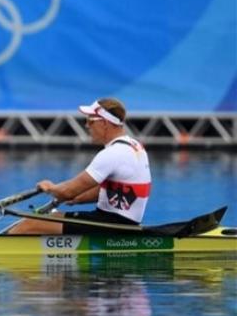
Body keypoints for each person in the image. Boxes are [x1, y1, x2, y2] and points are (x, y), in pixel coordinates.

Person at [9, 98, 150, 235]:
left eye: (90, 121)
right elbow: (112, 190)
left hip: (111, 224)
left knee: (29, 225)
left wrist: (50, 188)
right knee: (52, 217)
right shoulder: (135, 146)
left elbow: (67, 192)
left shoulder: (112, 153)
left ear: (104, 123)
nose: (87, 126)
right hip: (120, 222)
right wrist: (78, 198)